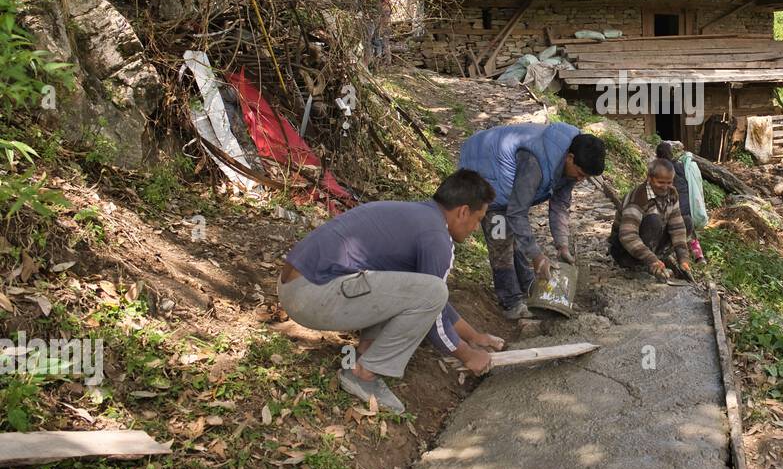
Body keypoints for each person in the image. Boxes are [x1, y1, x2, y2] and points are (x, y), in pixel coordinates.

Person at [278, 170, 499, 413]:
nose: (476, 228)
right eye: (479, 219)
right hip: (312, 295)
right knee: (433, 291)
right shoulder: (436, 237)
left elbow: (426, 299)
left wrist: (473, 336)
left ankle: (366, 352)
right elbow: (433, 304)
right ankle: (363, 375)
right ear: (463, 211)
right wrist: (468, 356)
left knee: (422, 290)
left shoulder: (417, 216)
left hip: (298, 285)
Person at [458, 122, 606, 319]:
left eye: (585, 177)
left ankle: (529, 290)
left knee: (519, 241)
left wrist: (562, 246)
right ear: (570, 158)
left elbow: (559, 207)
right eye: (580, 174)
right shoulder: (534, 163)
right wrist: (537, 256)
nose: (580, 180)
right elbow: (516, 212)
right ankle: (511, 303)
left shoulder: (572, 163)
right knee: (501, 242)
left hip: (511, 192)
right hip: (487, 182)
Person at [609, 158, 693, 281]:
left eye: (669, 182)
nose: (665, 187)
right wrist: (650, 259)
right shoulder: (638, 198)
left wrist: (683, 257)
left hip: (651, 242)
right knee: (654, 220)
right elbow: (627, 236)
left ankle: (658, 259)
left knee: (687, 222)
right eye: (660, 182)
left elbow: (677, 226)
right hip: (624, 249)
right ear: (649, 178)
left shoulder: (672, 194)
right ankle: (637, 263)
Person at [655, 140, 705, 262]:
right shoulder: (681, 166)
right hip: (687, 207)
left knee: (669, 229)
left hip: (674, 210)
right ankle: (699, 257)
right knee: (690, 231)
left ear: (657, 156)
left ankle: (668, 254)